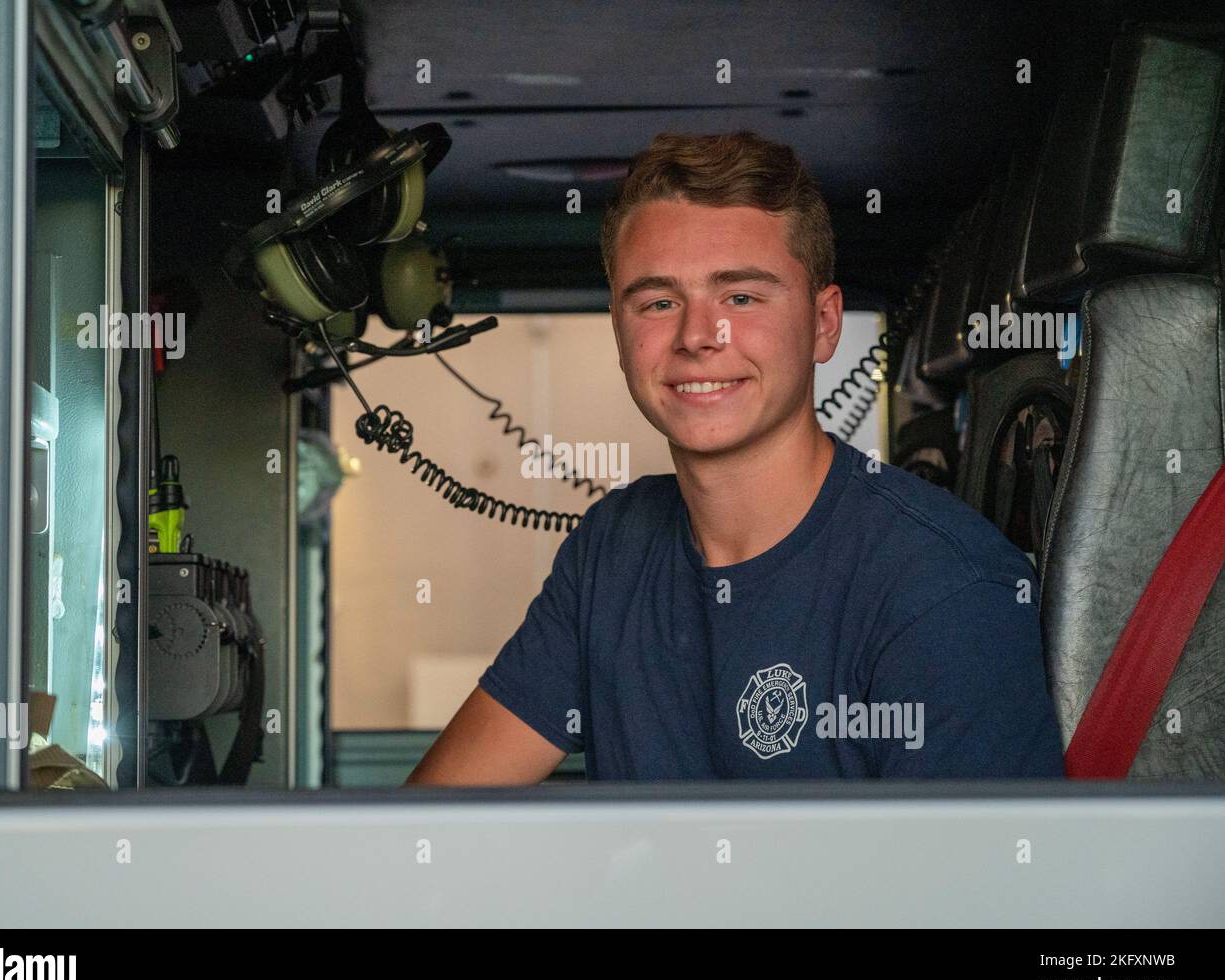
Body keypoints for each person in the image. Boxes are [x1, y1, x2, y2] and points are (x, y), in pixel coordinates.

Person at [407, 130, 1065, 784]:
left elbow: (982, 887)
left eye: (741, 297)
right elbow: (432, 821)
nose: (698, 336)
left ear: (824, 323)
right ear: (618, 332)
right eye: (659, 303)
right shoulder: (611, 552)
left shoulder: (944, 589)